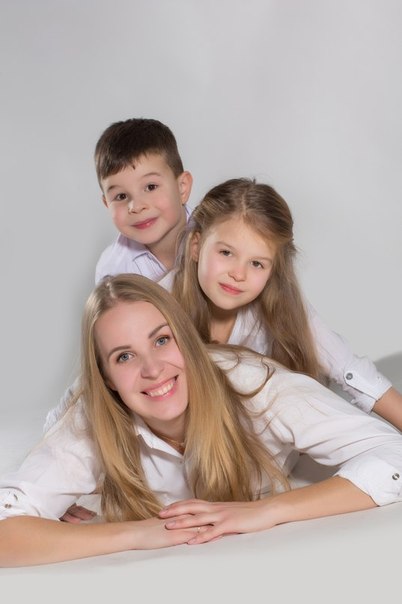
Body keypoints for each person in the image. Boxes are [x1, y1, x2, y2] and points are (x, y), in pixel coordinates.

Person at [1, 274, 401, 567]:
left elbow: (394, 453)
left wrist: (266, 511)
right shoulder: (92, 419)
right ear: (106, 377)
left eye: (161, 340)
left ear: (187, 341)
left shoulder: (258, 388)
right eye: (124, 356)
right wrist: (135, 535)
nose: (153, 369)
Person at [159, 177, 402, 430]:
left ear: (272, 269)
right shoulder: (156, 305)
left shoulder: (278, 305)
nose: (238, 274)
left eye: (257, 263)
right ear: (196, 246)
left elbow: (347, 368)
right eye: (226, 253)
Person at [93, 117, 193, 283]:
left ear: (182, 187)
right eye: (121, 196)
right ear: (107, 204)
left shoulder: (218, 238)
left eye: (151, 187)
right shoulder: (113, 272)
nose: (136, 206)